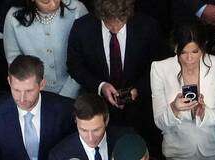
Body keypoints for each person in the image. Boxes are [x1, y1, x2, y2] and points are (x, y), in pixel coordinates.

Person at [65, 0, 163, 144]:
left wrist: (138, 89)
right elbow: (74, 66)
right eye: (110, 23)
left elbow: (158, 66)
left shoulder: (148, 26)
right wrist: (101, 86)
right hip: (98, 109)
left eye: (121, 21)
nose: (116, 27)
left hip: (140, 111)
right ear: (100, 16)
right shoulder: (82, 28)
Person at [149, 21, 215, 160]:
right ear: (175, 47)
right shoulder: (159, 69)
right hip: (179, 150)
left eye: (195, 52)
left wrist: (203, 113)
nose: (189, 58)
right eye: (183, 52)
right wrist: (174, 109)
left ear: (203, 46)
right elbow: (159, 121)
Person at [4, 0, 89, 97]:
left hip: (77, 91)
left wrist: (68, 93)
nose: (53, 4)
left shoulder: (77, 9)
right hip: (35, 94)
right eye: (46, 1)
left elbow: (86, 56)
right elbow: (14, 62)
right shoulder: (14, 16)